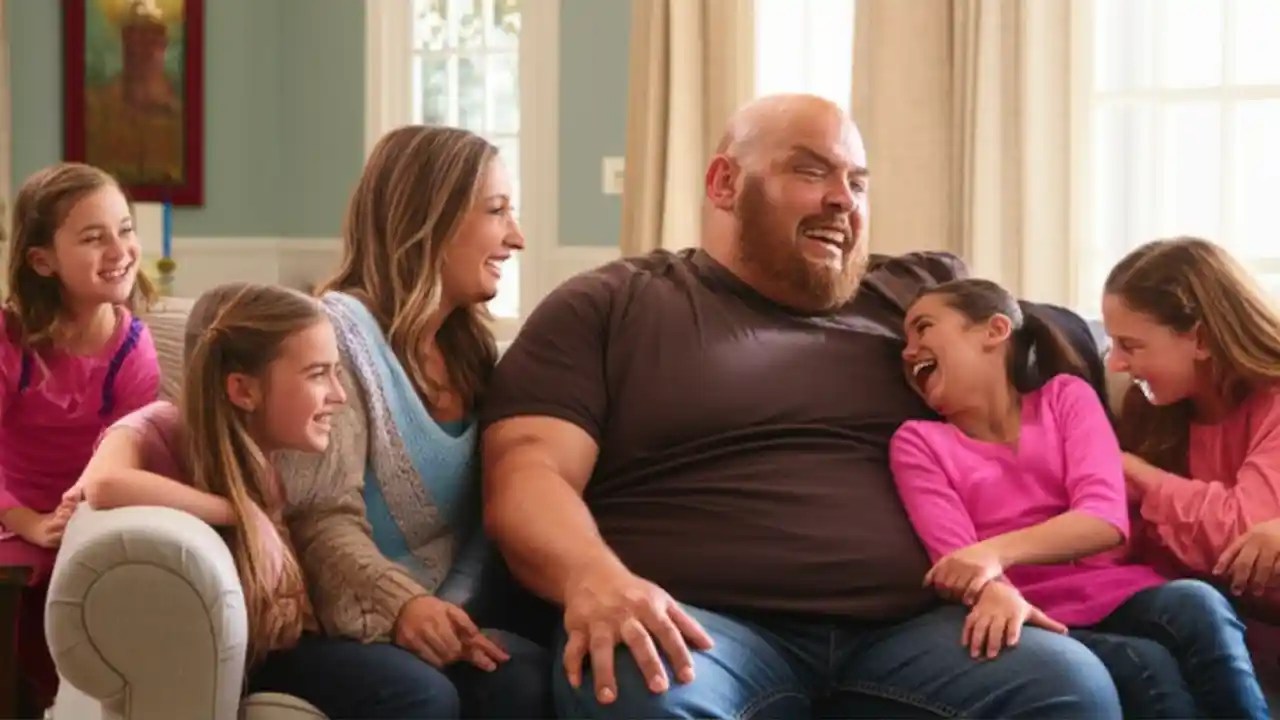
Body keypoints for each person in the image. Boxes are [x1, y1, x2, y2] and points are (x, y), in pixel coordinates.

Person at [480, 93, 1132, 718]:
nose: (842, 199)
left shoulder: (918, 301)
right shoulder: (613, 305)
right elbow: (528, 471)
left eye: (858, 181)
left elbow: (1034, 416)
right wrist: (593, 578)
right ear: (725, 183)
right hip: (703, 628)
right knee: (635, 683)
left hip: (917, 629)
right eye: (810, 170)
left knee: (1066, 686)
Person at [890, 277, 1268, 719]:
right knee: (1147, 664)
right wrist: (991, 586)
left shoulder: (1066, 398)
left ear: (994, 331)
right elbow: (959, 560)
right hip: (1029, 609)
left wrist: (993, 553)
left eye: (924, 328)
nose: (908, 350)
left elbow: (1104, 520)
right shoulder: (918, 442)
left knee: (1198, 603)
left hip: (1119, 590)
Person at [275, 125, 551, 719]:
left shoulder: (473, 353)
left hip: (443, 615)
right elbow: (317, 519)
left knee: (527, 676)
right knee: (421, 696)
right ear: (432, 219)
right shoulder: (334, 339)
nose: (517, 238)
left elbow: (489, 516)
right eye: (497, 211)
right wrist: (403, 607)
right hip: (332, 624)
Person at [77, 283, 348, 685]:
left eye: (336, 372)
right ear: (242, 389)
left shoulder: (268, 461)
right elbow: (104, 483)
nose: (339, 395)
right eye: (318, 374)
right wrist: (240, 513)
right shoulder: (161, 426)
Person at [0, 162, 160, 710]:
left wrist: (74, 510)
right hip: (11, 513)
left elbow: (127, 448)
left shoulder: (132, 349)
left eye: (125, 229)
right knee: (19, 586)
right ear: (42, 261)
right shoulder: (10, 340)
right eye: (93, 238)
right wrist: (26, 520)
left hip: (88, 507)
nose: (118, 249)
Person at [1104, 238, 1280, 602]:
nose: (1114, 364)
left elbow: (1245, 537)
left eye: (1130, 345)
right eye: (1112, 344)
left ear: (1201, 339)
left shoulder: (1273, 402)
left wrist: (1132, 472)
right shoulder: (1151, 406)